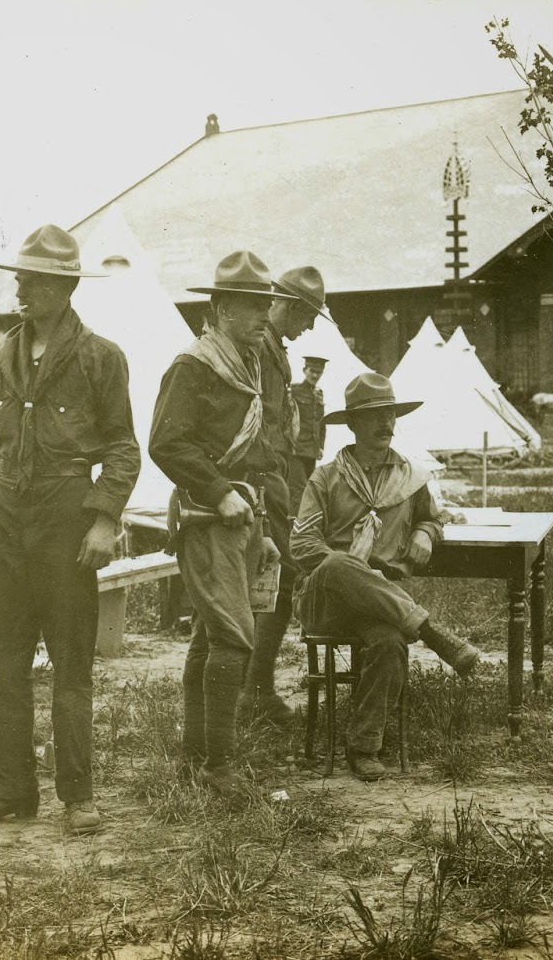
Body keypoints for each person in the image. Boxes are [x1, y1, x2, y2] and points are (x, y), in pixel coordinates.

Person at [0, 225, 141, 834]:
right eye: (19, 279)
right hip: (7, 512)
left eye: (31, 280)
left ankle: (78, 798)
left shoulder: (101, 356)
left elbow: (121, 448)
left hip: (66, 511)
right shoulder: (6, 351)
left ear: (63, 288)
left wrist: (105, 518)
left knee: (70, 663)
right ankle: (10, 789)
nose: (20, 289)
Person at [291, 373, 484, 781]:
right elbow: (303, 544)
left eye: (391, 414)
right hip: (324, 600)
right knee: (338, 565)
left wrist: (424, 532)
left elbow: (435, 520)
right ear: (353, 425)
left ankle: (363, 746)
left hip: (378, 607)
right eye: (375, 416)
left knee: (390, 641)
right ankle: (432, 632)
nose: (386, 424)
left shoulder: (410, 478)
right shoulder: (326, 477)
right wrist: (349, 566)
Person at [149, 251, 285, 793]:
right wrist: (219, 491)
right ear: (221, 307)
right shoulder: (194, 365)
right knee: (233, 636)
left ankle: (193, 757)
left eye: (266, 305)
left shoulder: (247, 364)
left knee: (210, 636)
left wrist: (266, 529)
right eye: (252, 305)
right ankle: (219, 766)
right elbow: (166, 443)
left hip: (243, 519)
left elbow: (260, 455)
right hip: (208, 518)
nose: (262, 315)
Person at [242, 266, 333, 724]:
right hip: (259, 485)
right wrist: (263, 498)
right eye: (309, 316)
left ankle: (256, 687)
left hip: (276, 483)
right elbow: (257, 429)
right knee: (273, 583)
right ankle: (253, 691)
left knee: (277, 583)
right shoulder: (258, 349)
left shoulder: (273, 349)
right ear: (292, 307)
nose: (310, 327)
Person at [291, 354, 328, 487]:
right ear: (304, 370)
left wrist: (321, 446)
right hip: (296, 450)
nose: (315, 376)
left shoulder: (319, 394)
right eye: (312, 371)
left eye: (319, 372)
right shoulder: (294, 391)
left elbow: (322, 422)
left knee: (308, 487)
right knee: (298, 488)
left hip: (311, 451)